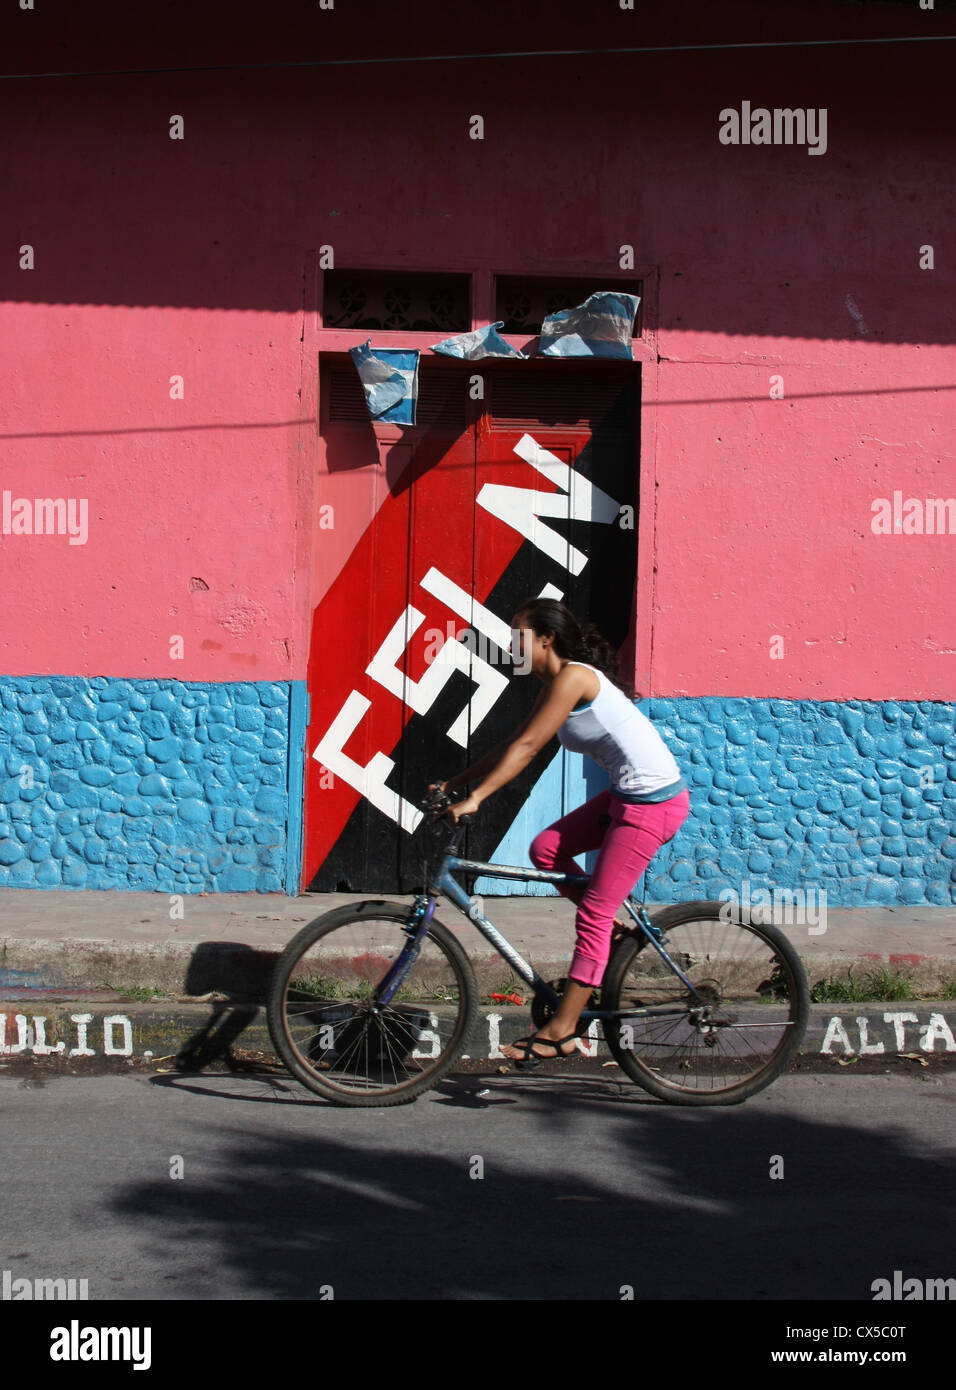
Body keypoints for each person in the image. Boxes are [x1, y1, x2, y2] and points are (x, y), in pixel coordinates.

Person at [431, 598, 690, 1067]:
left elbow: (529, 749)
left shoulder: (573, 677)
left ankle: (562, 1031)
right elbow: (515, 743)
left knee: (593, 910)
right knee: (546, 848)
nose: (512, 645)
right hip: (627, 797)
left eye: (518, 636)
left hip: (652, 805)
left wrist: (477, 799)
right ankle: (608, 941)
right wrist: (457, 783)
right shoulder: (556, 682)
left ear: (545, 639)